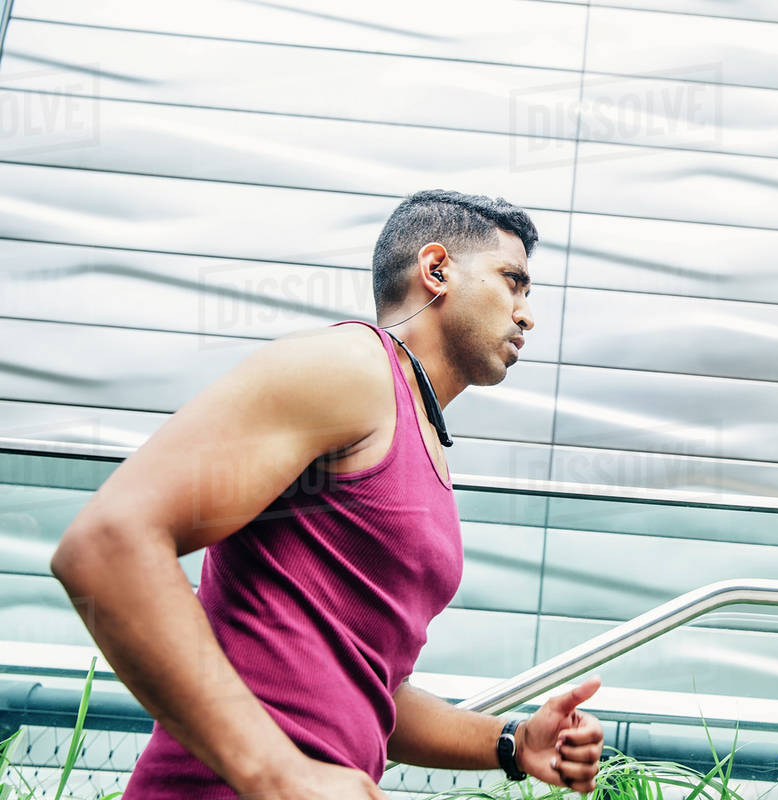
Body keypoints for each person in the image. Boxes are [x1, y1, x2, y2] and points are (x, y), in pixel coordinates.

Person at [49, 190, 605, 799]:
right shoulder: (351, 368)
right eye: (513, 281)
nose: (526, 315)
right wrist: (278, 772)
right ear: (437, 269)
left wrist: (512, 742)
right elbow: (106, 545)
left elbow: (369, 689)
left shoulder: (414, 434)